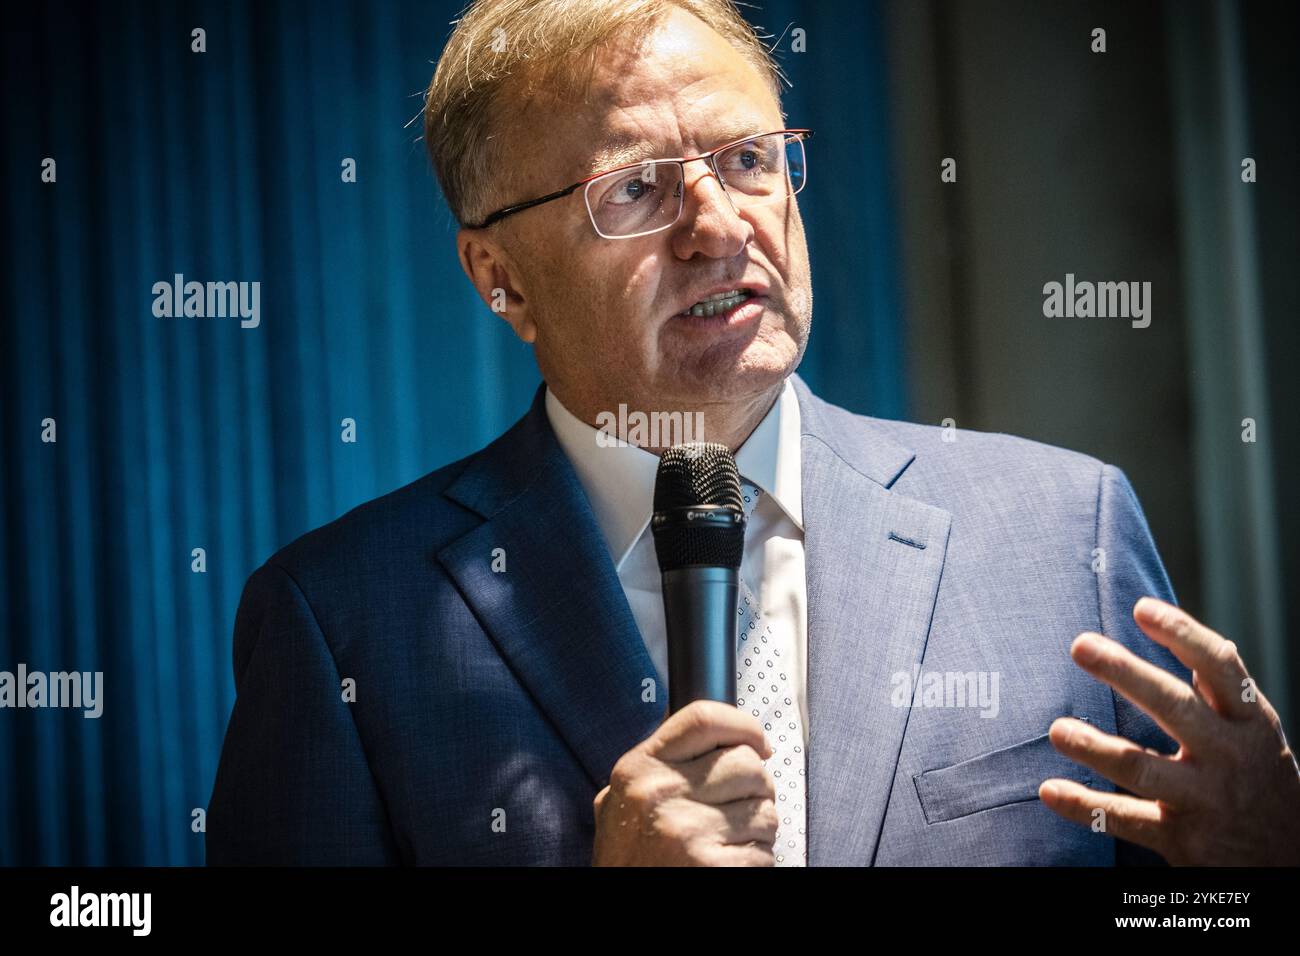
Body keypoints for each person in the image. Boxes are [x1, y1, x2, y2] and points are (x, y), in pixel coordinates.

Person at [205, 0, 1299, 866]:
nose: (718, 229)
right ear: (501, 278)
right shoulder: (339, 620)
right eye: (632, 190)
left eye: (747, 159)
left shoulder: (1063, 531)